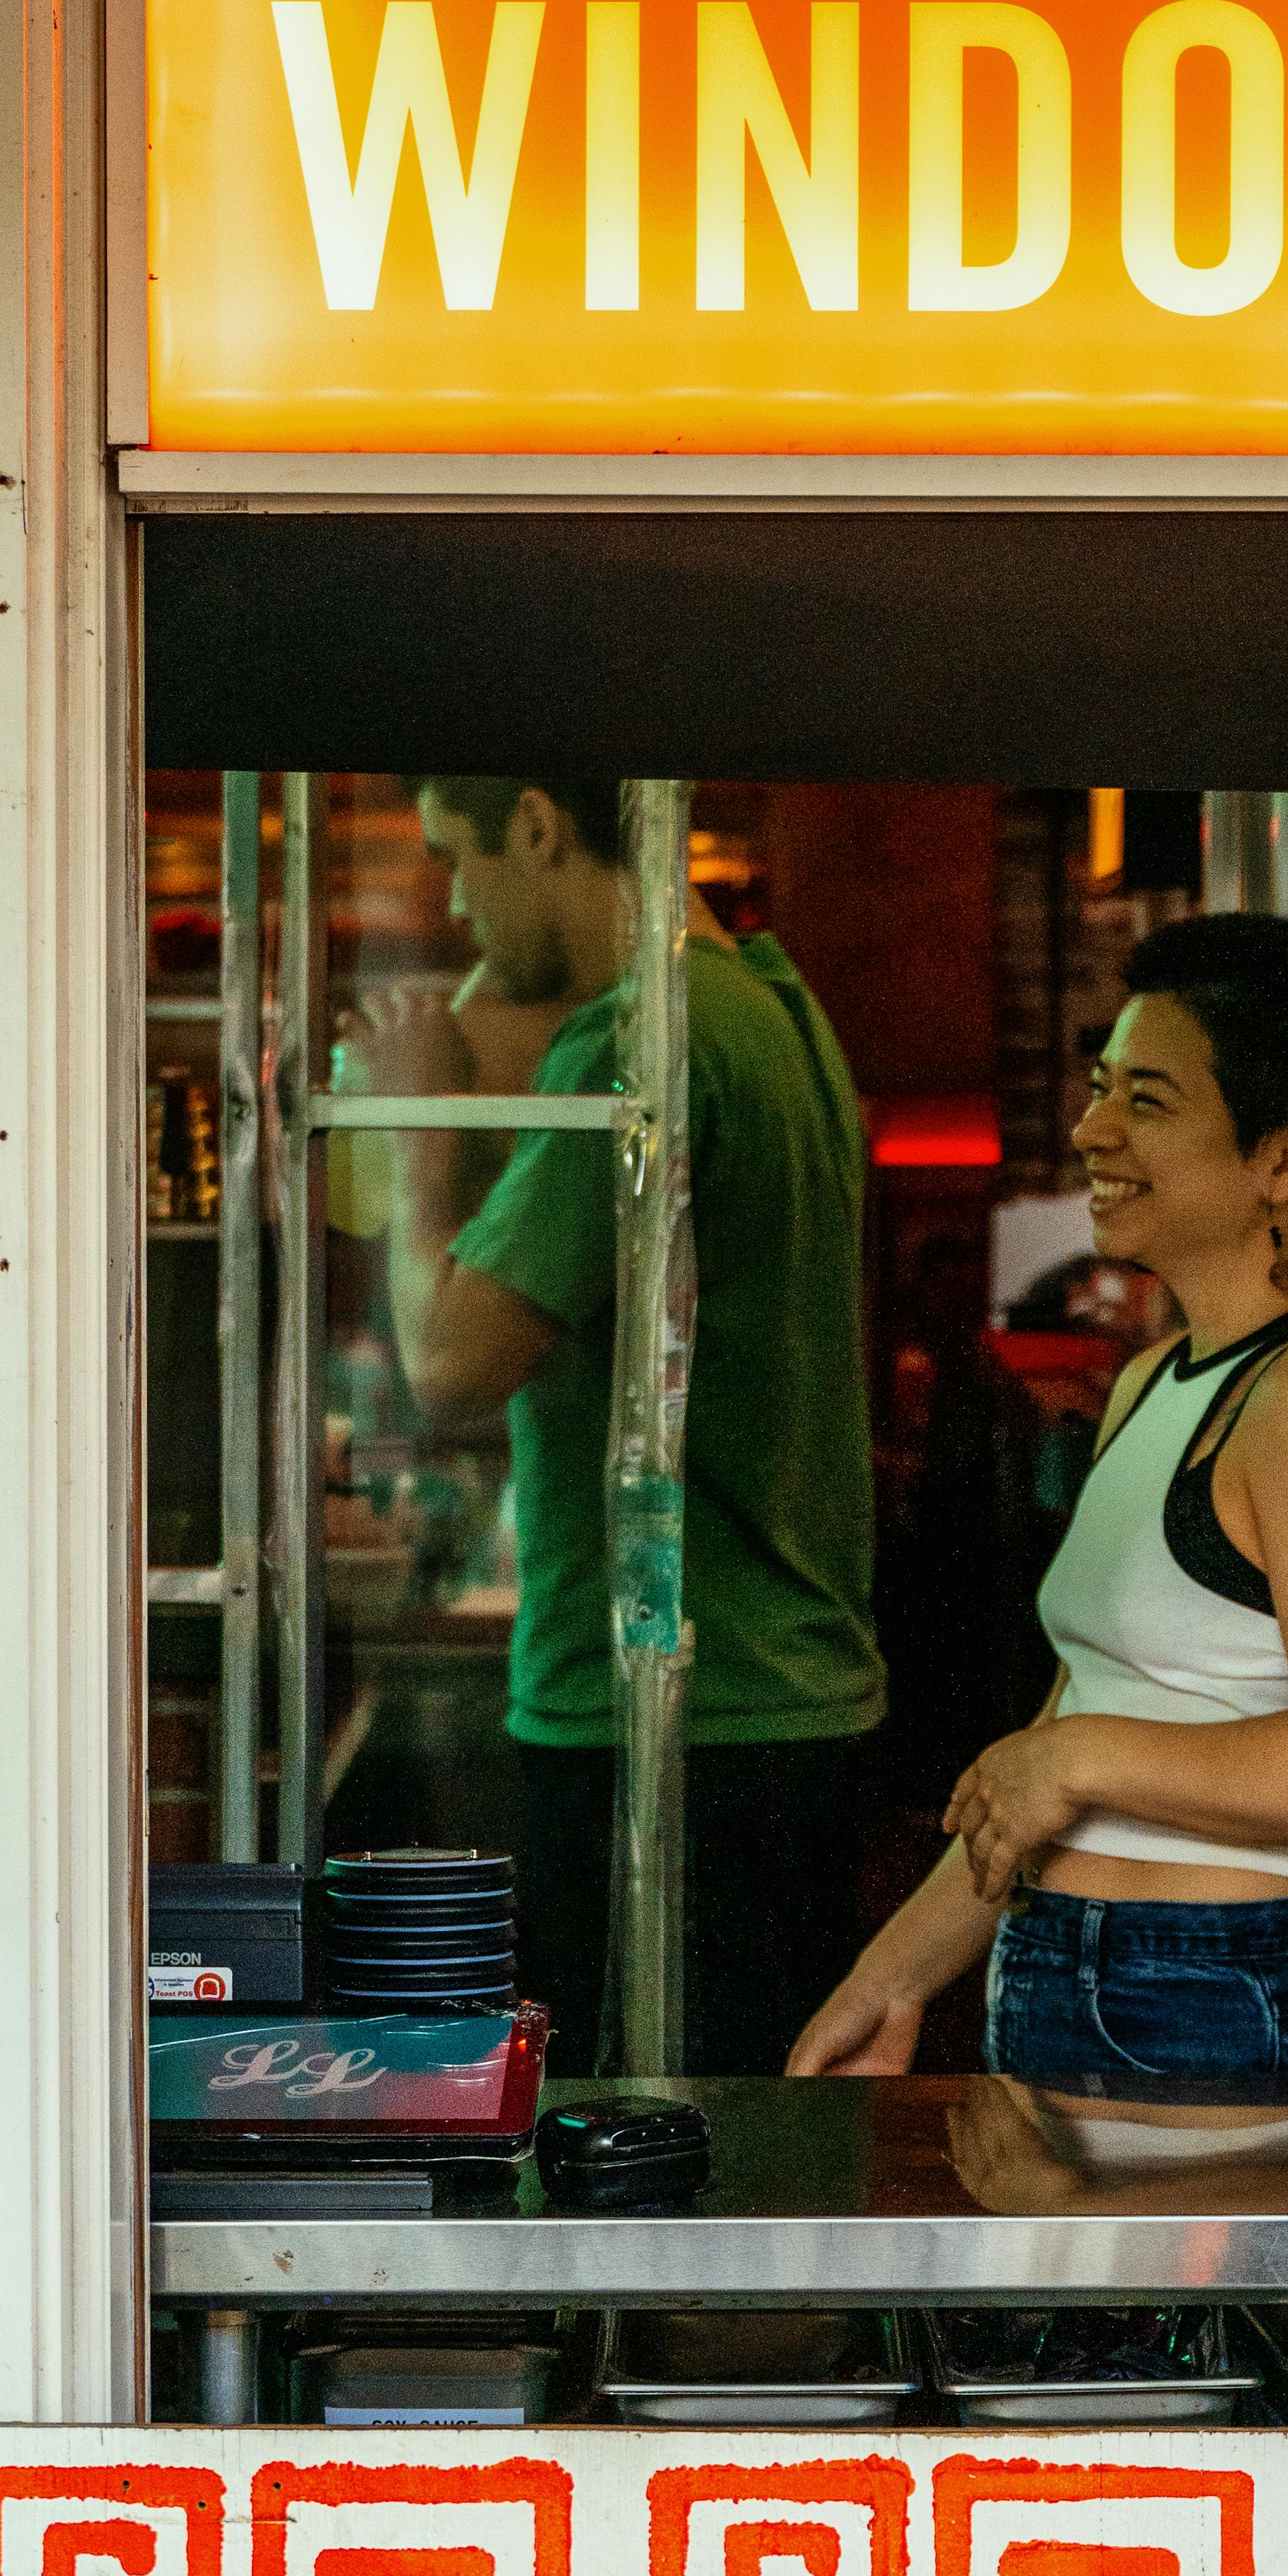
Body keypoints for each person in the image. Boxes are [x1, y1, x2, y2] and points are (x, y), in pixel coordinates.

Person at [789, 911, 1288, 2092]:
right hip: (1074, 1967)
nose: (1091, 1129)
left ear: (1287, 1160)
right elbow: (1069, 1729)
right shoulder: (1162, 1373)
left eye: (1146, 1101)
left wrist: (1082, 1758)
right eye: (1102, 1089)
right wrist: (891, 1978)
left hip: (1215, 1988)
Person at [365, 777, 883, 2073]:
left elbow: (448, 1363)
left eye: (460, 861)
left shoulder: (642, 1042)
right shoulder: (770, 1001)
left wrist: (415, 1131)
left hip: (668, 1715)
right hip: (779, 1697)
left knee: (639, 2166)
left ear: (539, 828)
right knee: (753, 2165)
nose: (460, 909)